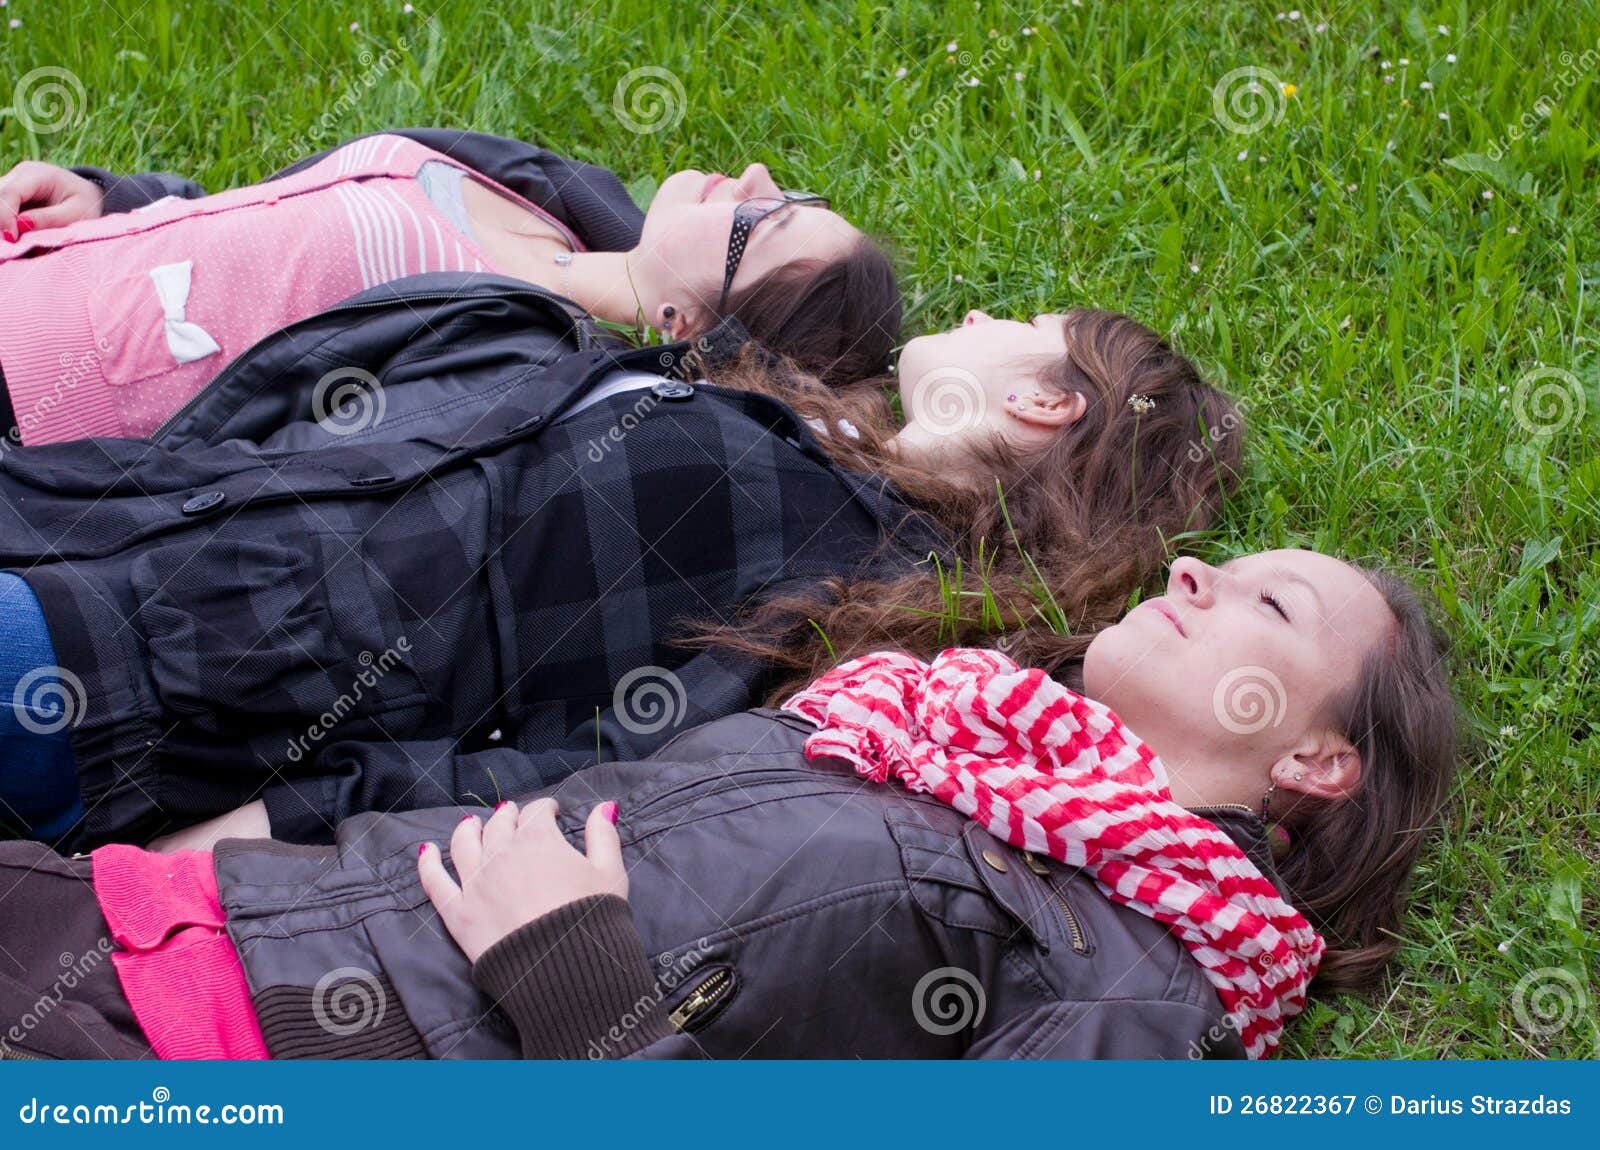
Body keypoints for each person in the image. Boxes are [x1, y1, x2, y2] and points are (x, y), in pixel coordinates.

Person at [0, 549, 1458, 1060]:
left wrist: (591, 999)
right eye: (1215, 558)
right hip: (164, 925)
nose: (1194, 573)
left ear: (1316, 762)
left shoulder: (1143, 985)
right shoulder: (920, 726)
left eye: (1272, 595)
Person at [0, 267, 1240, 850]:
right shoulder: (796, 423)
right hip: (81, 523)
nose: (974, 315)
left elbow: (573, 778)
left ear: (1047, 407)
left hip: (131, 680)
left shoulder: (856, 567)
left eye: (1020, 324)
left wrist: (253, 832)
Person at [0, 128, 897, 445]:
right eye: (790, 195)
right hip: (33, 260)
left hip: (28, 404)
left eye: (763, 220)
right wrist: (115, 201)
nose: (751, 175)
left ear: (689, 320)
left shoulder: (519, 369)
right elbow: (270, 215)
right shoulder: (549, 195)